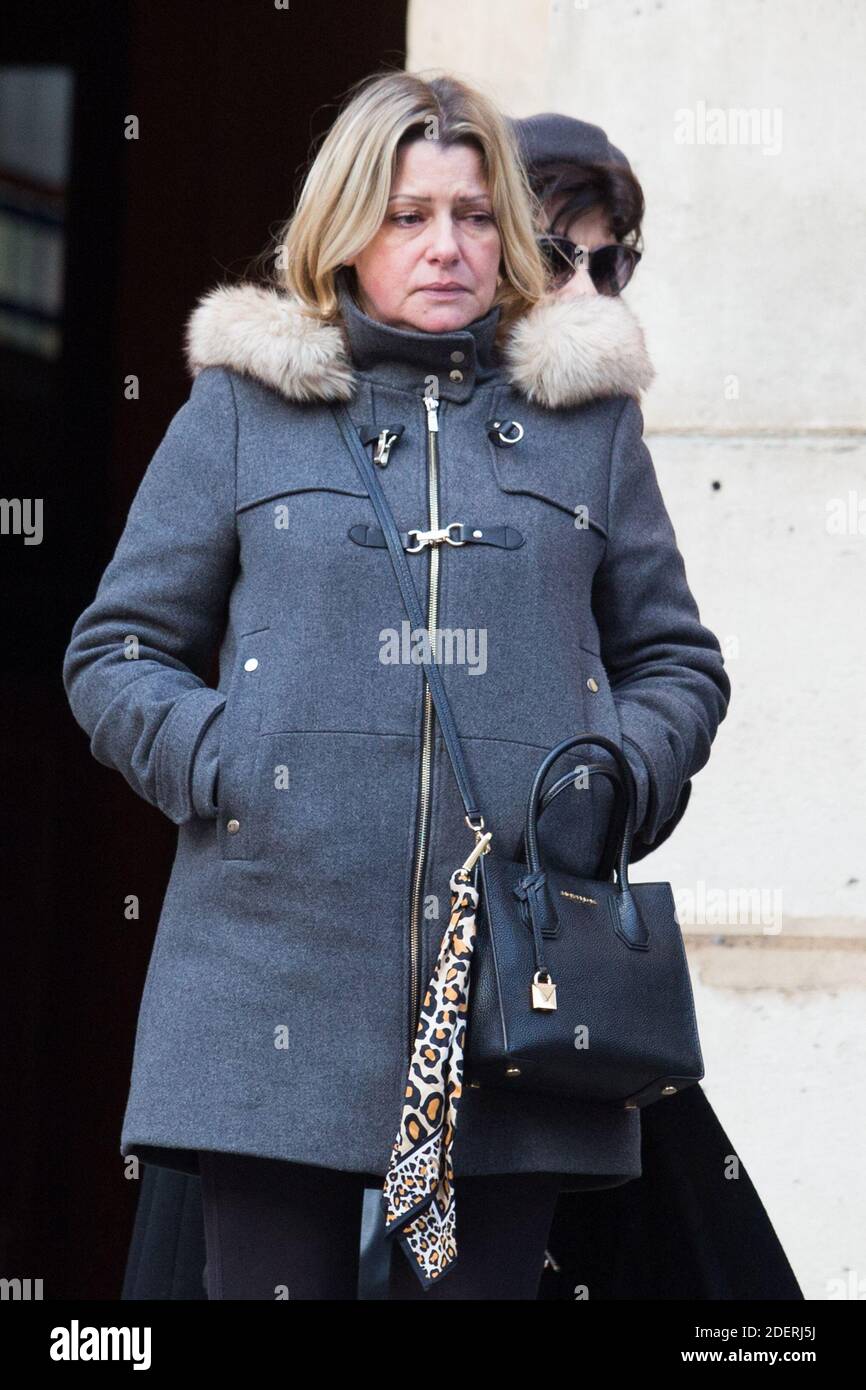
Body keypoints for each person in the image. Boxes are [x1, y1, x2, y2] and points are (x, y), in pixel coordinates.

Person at [62, 71, 731, 1300]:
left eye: (476, 216)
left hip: (512, 977)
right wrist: (232, 759)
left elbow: (676, 661)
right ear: (343, 230)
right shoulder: (239, 412)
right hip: (271, 958)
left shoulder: (587, 424)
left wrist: (613, 781)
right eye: (408, 213)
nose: (447, 247)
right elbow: (115, 652)